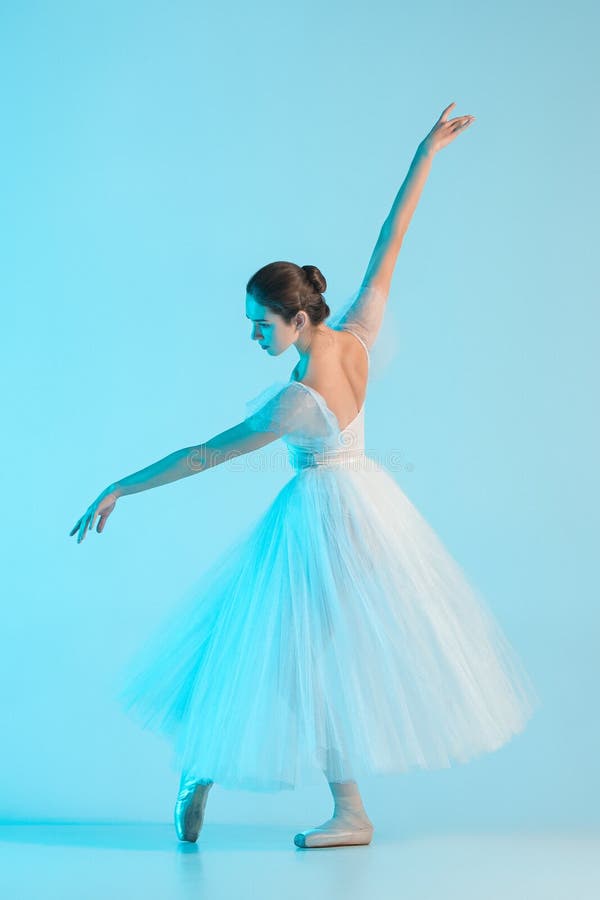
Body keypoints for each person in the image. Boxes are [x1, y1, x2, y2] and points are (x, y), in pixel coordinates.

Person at [69, 103, 539, 850]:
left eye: (262, 325)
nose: (254, 336)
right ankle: (304, 796)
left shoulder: (297, 398)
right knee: (301, 660)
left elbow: (204, 453)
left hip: (324, 524)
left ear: (295, 318)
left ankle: (244, 778)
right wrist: (425, 153)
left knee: (284, 658)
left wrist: (120, 483)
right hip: (368, 513)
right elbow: (392, 243)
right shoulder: (354, 335)